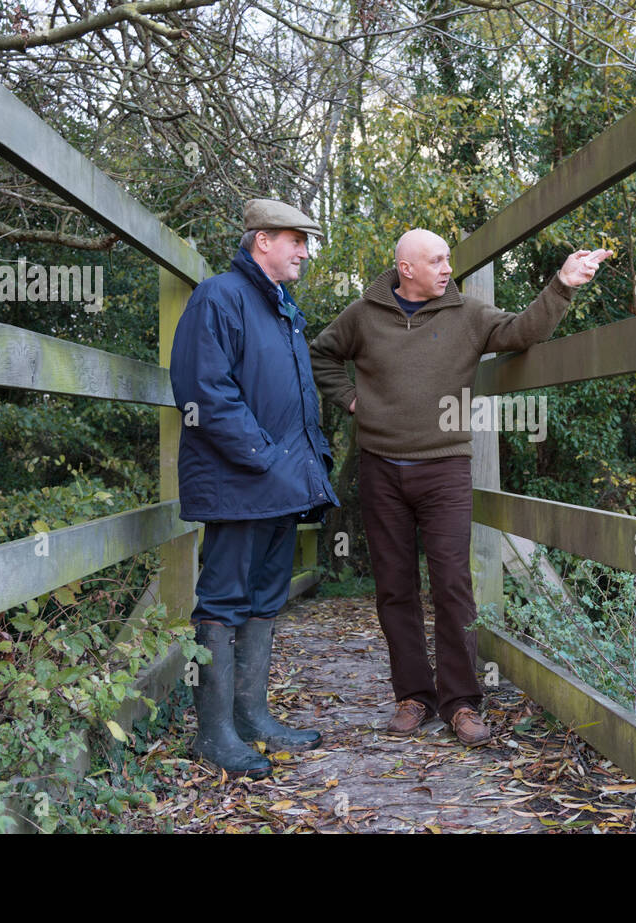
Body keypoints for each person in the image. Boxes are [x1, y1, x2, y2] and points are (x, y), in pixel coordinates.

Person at [309, 229, 610, 745]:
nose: (448, 268)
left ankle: (462, 703)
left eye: (449, 258)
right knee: (394, 587)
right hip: (380, 466)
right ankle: (413, 696)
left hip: (444, 466)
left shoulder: (467, 314)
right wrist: (353, 401)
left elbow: (521, 332)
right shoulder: (363, 315)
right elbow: (320, 354)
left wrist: (563, 284)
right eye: (437, 260)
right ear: (406, 269)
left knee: (452, 585)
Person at [169, 199, 339, 778]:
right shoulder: (219, 296)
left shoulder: (283, 309)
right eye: (296, 240)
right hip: (238, 482)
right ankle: (213, 733)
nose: (305, 252)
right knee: (221, 602)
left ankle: (254, 718)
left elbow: (296, 401)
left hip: (282, 483)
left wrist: (306, 464)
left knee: (266, 597)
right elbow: (203, 392)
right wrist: (264, 458)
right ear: (262, 240)